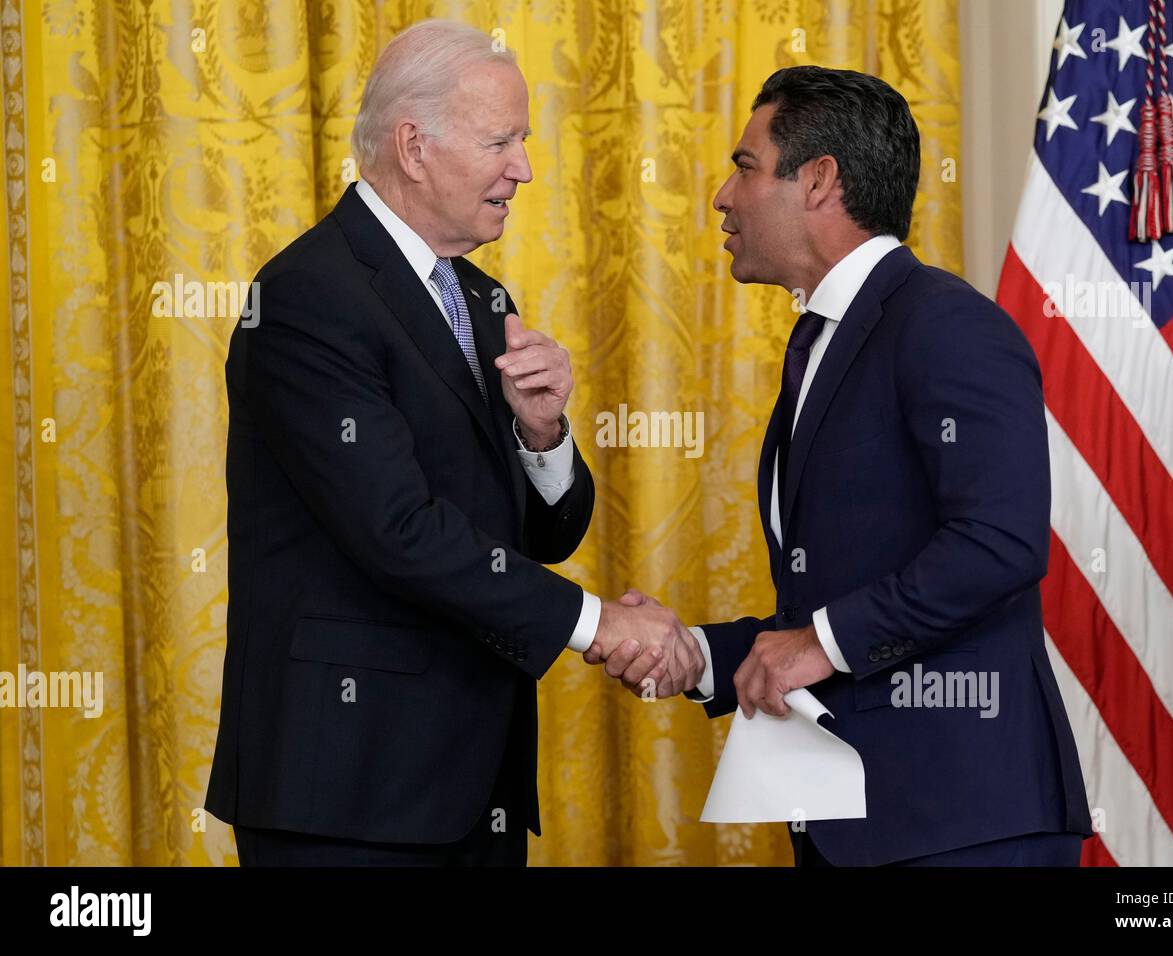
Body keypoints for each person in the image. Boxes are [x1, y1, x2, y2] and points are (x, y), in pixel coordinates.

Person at [205, 18, 700, 867]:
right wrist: (596, 625)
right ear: (414, 146)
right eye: (501, 141)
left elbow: (539, 533)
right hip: (349, 793)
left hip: (472, 785)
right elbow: (396, 531)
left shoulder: (478, 293)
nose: (525, 168)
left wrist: (542, 434)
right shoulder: (307, 294)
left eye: (525, 141)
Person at [605, 66, 1093, 867]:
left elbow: (1000, 543)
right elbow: (830, 604)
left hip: (963, 827)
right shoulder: (822, 342)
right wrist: (696, 655)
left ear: (821, 180)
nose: (723, 198)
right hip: (859, 827)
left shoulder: (946, 324)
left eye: (745, 166)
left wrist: (818, 643)